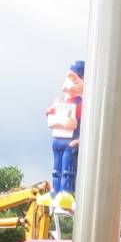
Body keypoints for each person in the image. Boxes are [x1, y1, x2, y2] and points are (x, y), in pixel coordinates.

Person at [45, 60, 84, 203]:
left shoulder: (82, 105)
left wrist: (81, 140)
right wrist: (63, 123)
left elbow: (88, 125)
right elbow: (50, 120)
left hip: (71, 141)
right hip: (58, 140)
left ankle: (66, 192)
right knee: (57, 168)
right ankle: (55, 192)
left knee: (68, 168)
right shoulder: (58, 102)